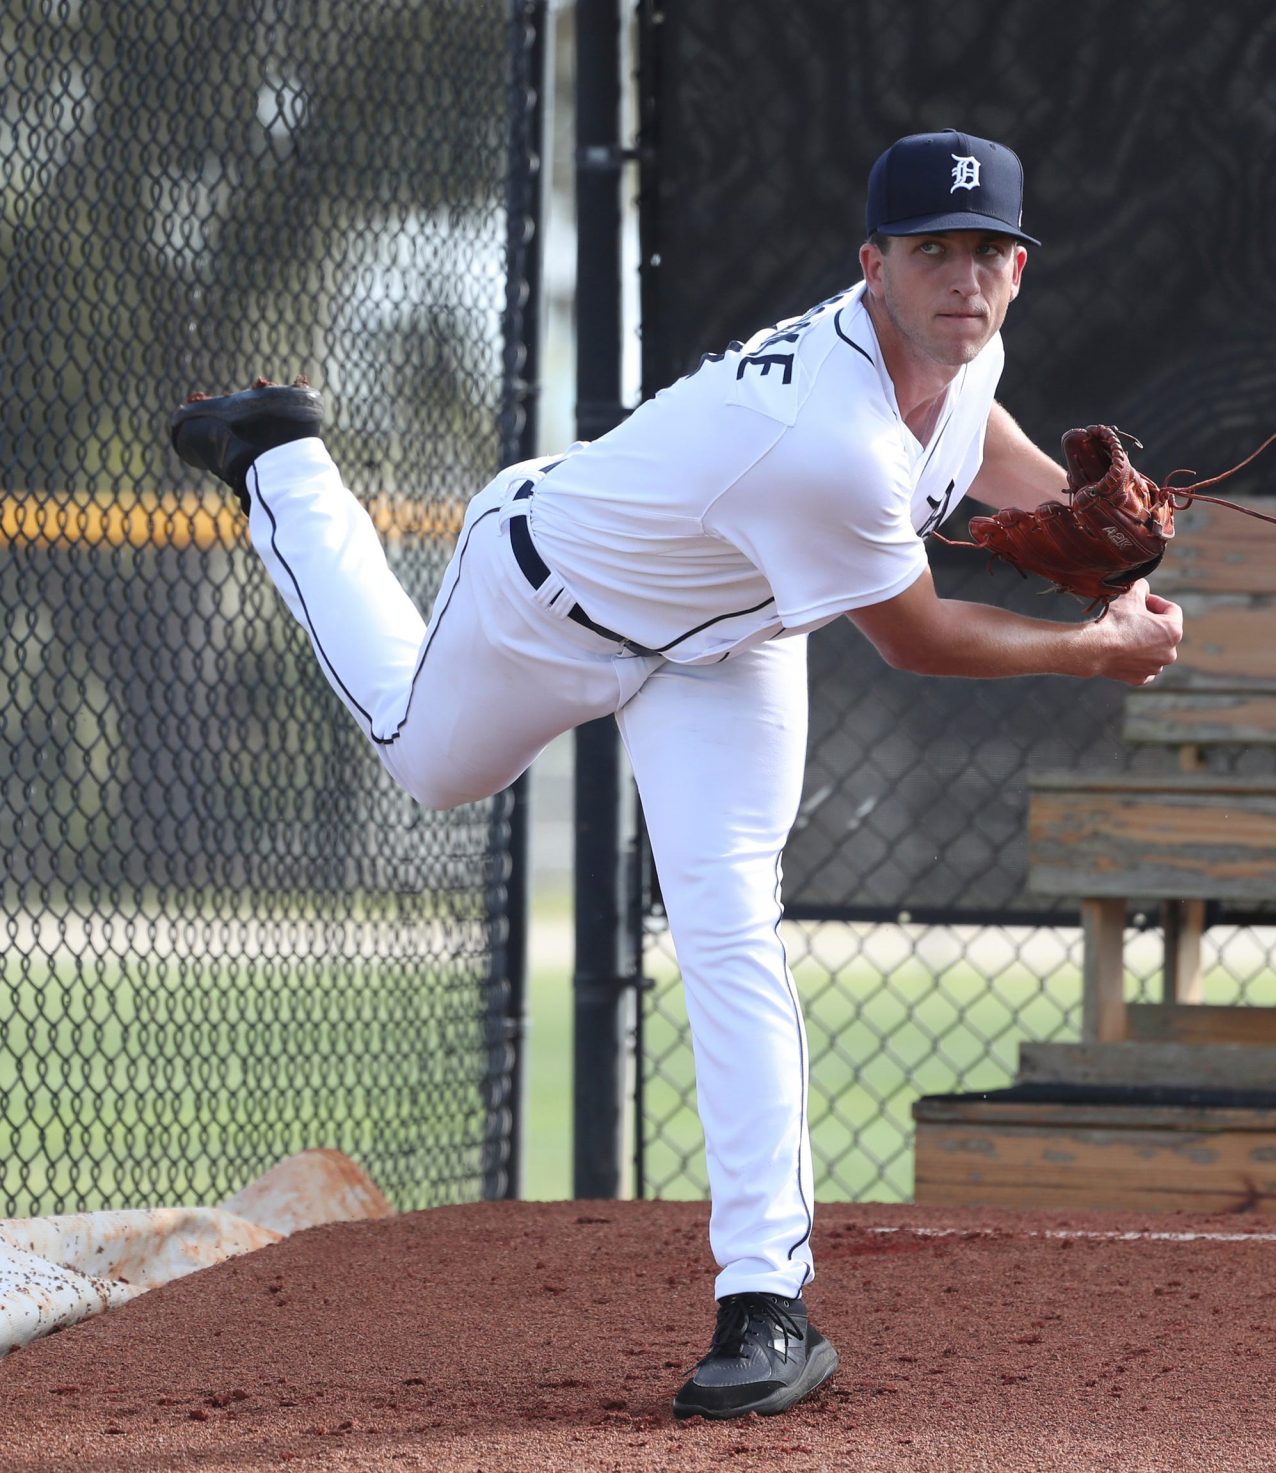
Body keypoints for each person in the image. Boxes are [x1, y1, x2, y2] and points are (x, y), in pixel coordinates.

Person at [169, 128, 1182, 1420]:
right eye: (934, 251)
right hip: (545, 599)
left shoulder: (959, 352)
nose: (965, 279)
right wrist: (1094, 647)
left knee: (728, 916)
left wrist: (1110, 558)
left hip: (725, 640)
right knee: (425, 763)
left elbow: (986, 447)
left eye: (990, 252)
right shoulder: (826, 437)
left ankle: (766, 1301)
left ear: (1019, 273)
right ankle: (282, 462)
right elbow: (919, 637)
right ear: (873, 265)